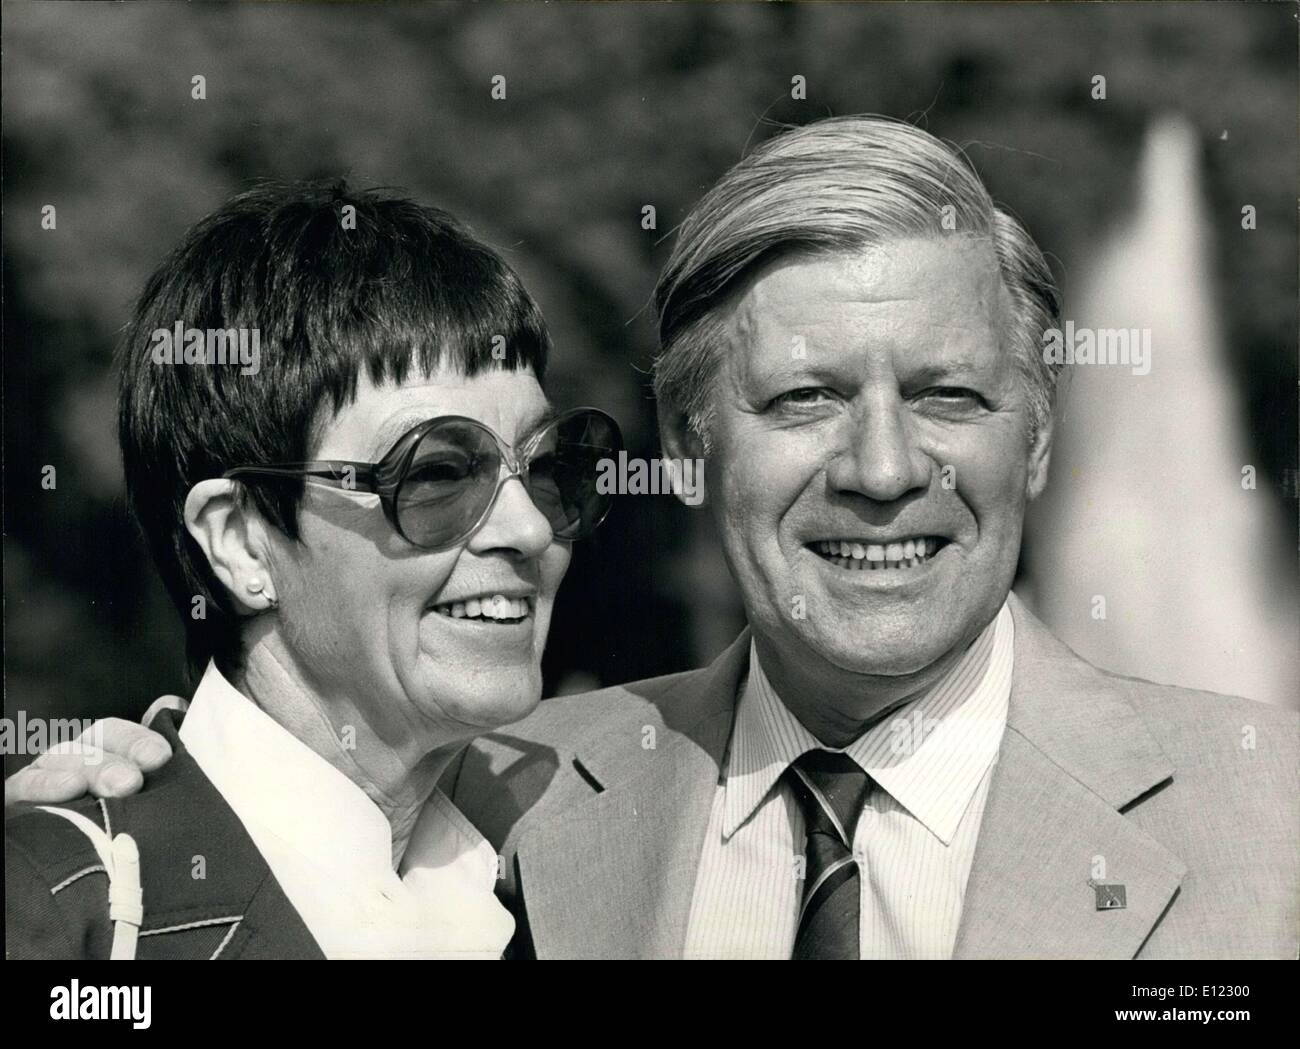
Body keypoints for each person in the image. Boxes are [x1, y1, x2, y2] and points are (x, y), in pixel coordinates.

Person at [13, 118, 1298, 959]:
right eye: (802, 399)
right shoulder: (526, 792)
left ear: (1039, 437)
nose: (886, 468)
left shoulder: (1273, 821)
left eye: (952, 394)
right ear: (687, 447)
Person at [4, 180, 621, 959]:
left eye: (545, 465)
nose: (530, 527)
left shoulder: (575, 877)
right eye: (432, 474)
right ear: (240, 542)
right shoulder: (67, 913)